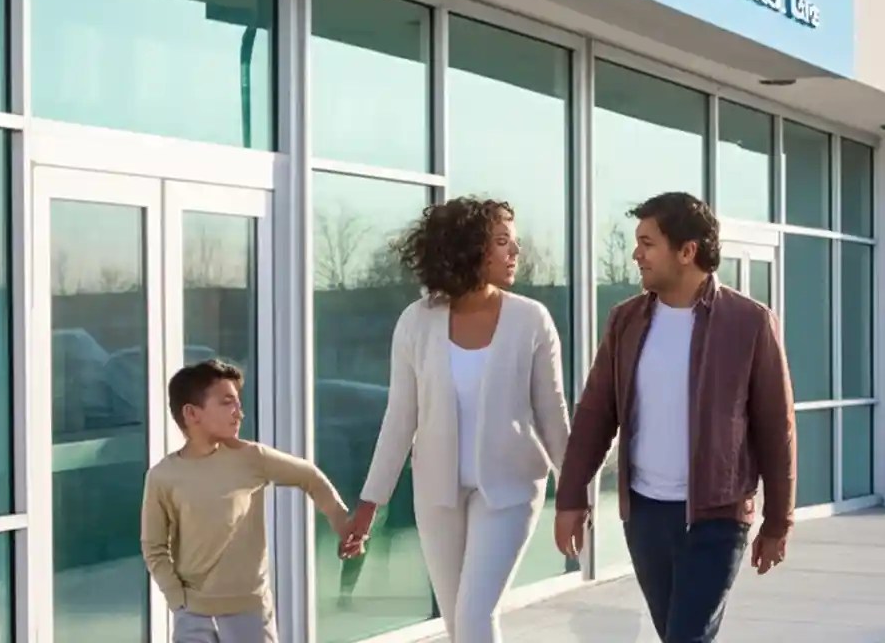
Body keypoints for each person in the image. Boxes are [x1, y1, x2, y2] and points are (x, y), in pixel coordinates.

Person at [553, 192, 796, 643]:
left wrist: (778, 521)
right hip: (645, 515)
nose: (635, 254)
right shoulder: (625, 321)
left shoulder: (749, 323)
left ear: (687, 252)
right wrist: (570, 497)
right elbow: (595, 415)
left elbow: (774, 428)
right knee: (675, 635)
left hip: (717, 517)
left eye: (648, 243)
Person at [344, 196, 572, 643]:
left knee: (474, 616)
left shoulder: (531, 319)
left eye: (514, 242)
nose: (515, 253)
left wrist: (576, 494)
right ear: (469, 249)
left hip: (510, 489)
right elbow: (399, 418)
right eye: (503, 242)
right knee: (457, 623)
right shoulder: (416, 322)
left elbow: (552, 412)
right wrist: (371, 504)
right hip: (436, 494)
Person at [140, 359, 363, 643]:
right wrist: (176, 599)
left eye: (238, 403)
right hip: (192, 616)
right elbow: (154, 547)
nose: (239, 413)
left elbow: (310, 476)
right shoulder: (162, 476)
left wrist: (342, 522)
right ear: (192, 413)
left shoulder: (252, 458)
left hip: (250, 614)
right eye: (227, 403)